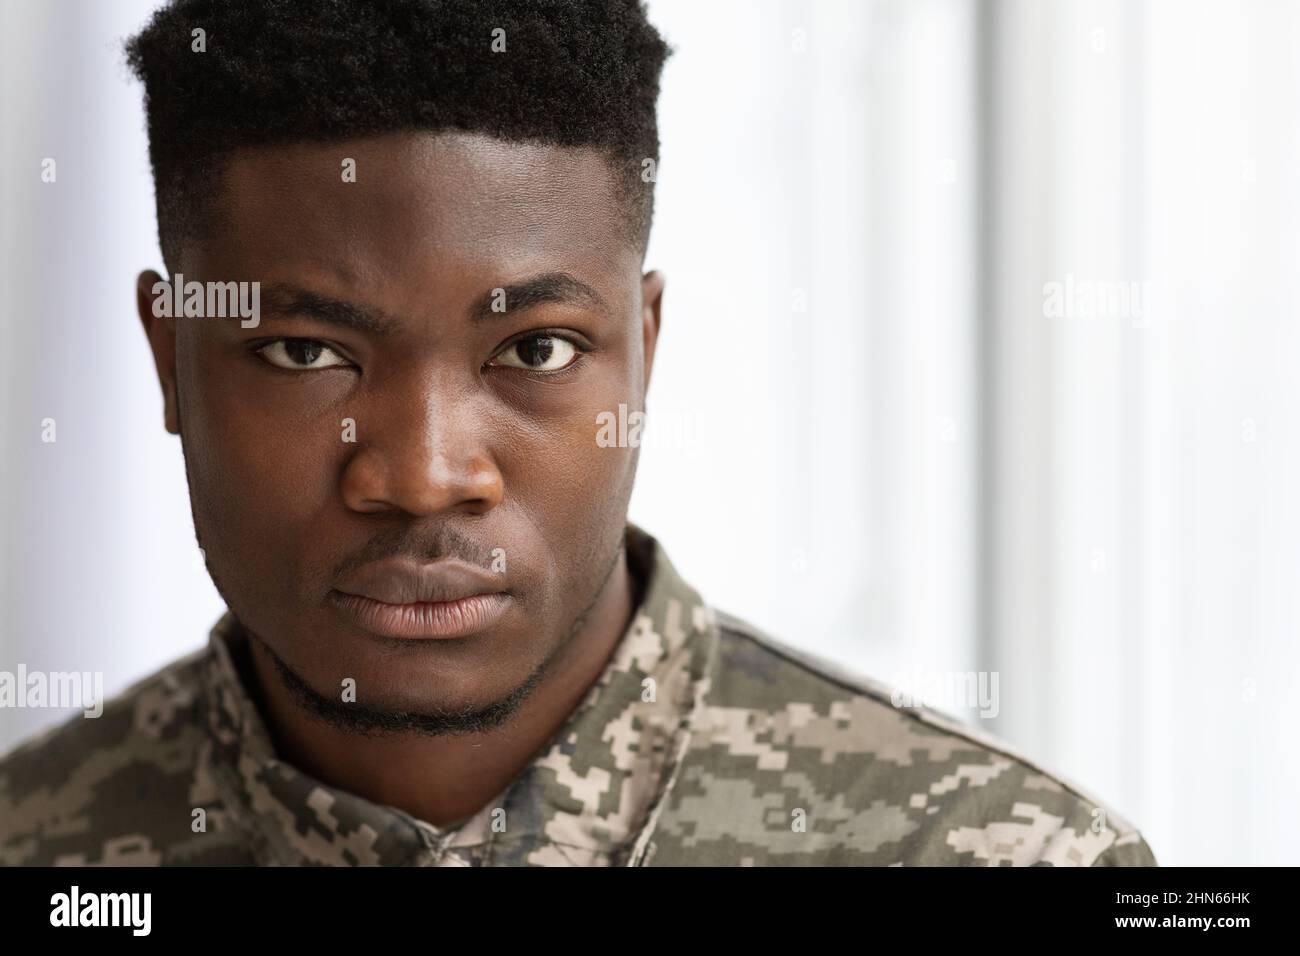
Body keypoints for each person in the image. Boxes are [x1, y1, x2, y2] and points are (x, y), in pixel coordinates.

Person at [0, 0, 1156, 866]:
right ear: (170, 358)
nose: (422, 474)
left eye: (536, 348)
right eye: (308, 353)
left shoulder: (1001, 854)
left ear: (641, 349)